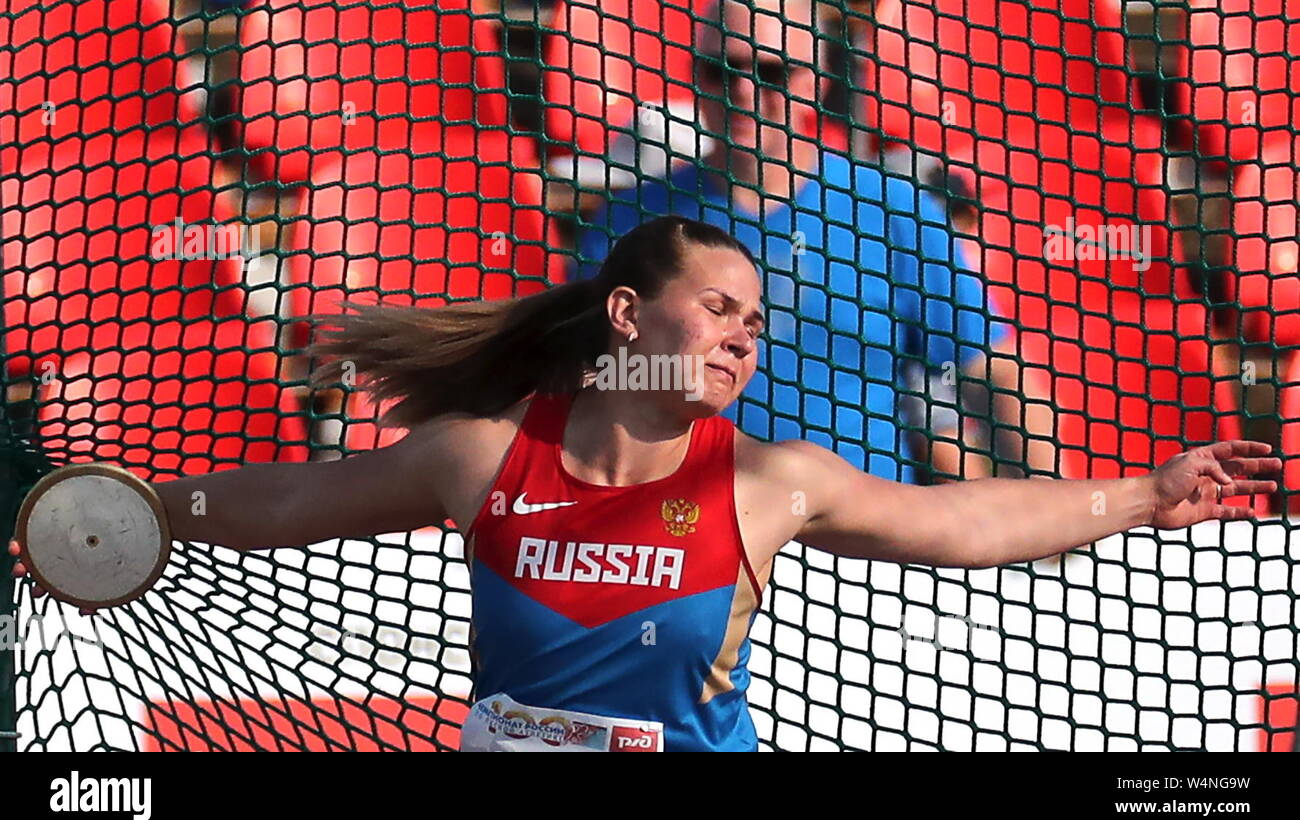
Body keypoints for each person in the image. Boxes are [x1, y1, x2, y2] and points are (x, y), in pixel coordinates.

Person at [9, 215, 1280, 751]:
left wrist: (1140, 490)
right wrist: (125, 511)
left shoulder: (767, 483)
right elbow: (283, 506)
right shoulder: (484, 459)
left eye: (756, 323)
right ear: (627, 313)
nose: (742, 336)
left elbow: (957, 520)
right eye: (716, 309)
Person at [576, 0, 1058, 483]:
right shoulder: (634, 222)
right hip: (687, 523)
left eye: (772, 72)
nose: (744, 91)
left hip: (857, 536)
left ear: (816, 80)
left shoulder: (892, 209)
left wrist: (1059, 515)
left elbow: (990, 371)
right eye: (719, 71)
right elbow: (581, 370)